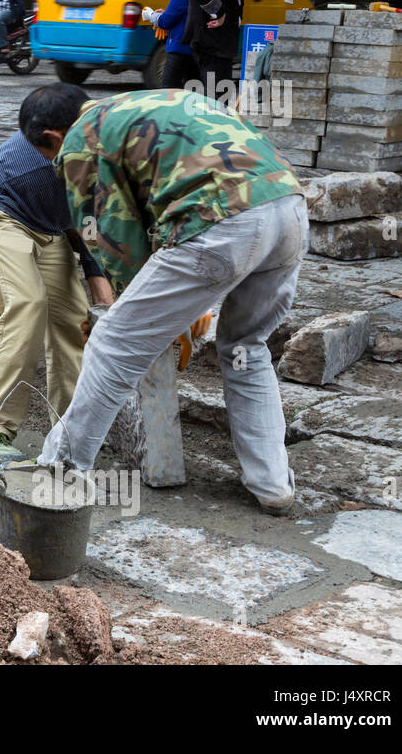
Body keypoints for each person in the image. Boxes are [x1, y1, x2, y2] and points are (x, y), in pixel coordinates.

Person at [35, 87, 307, 515]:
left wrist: (139, 307)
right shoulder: (158, 100)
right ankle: (274, 487)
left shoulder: (81, 138)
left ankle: (58, 474)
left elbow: (108, 233)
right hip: (287, 209)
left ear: (53, 136)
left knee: (113, 344)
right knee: (246, 349)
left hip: (218, 223)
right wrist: (180, 306)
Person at [0, 84, 114, 468]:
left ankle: (73, 426)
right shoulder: (46, 163)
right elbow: (88, 219)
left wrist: (98, 282)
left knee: (75, 320)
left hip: (46, 224)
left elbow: (86, 221)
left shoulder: (86, 145)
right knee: (27, 303)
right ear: (55, 137)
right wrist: (101, 281)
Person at [144, 0, 202, 90]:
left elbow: (165, 22)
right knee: (194, 93)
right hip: (199, 52)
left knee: (169, 91)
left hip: (179, 51)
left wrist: (151, 15)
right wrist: (167, 13)